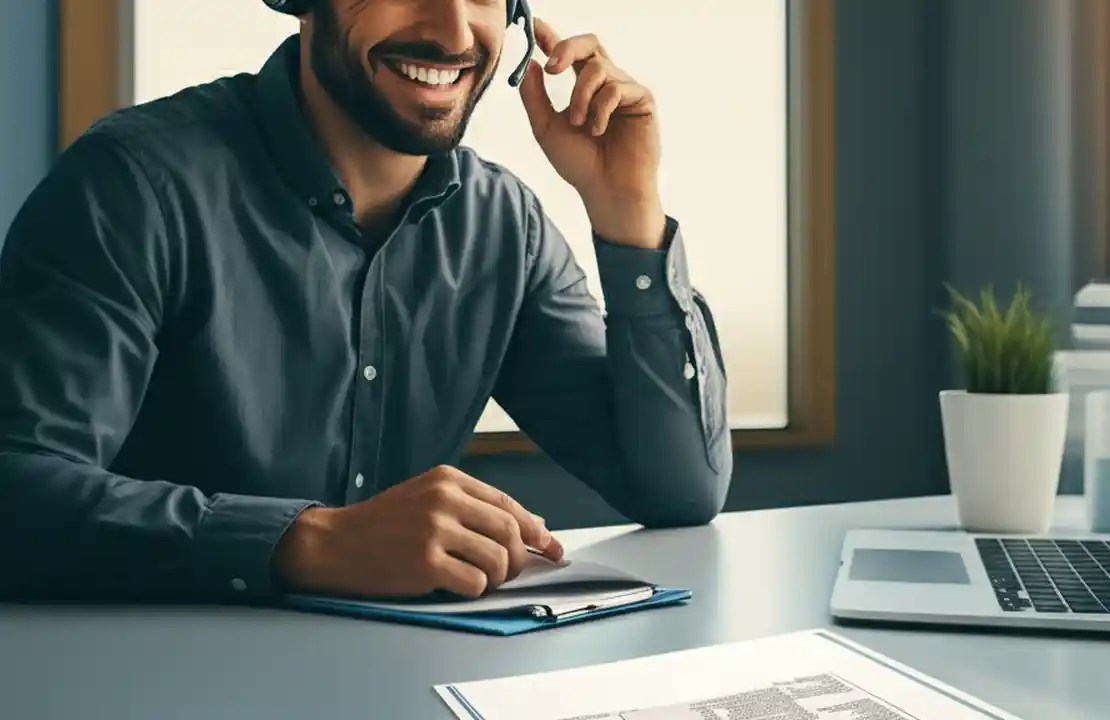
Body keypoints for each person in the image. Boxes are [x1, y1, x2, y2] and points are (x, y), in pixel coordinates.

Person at [0, 0, 731, 602]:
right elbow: (18, 491)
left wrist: (627, 206)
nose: (450, 32)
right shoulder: (134, 185)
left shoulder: (505, 227)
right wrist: (309, 540)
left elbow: (677, 490)